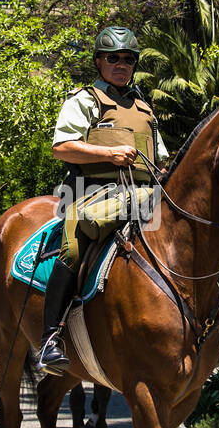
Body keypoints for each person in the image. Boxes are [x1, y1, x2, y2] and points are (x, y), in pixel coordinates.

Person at [37, 25, 170, 372]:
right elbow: (62, 147)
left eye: (128, 59)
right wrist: (107, 155)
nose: (121, 64)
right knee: (73, 249)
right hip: (91, 194)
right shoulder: (84, 100)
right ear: (99, 61)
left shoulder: (145, 108)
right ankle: (50, 338)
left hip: (144, 194)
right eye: (113, 58)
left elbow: (160, 157)